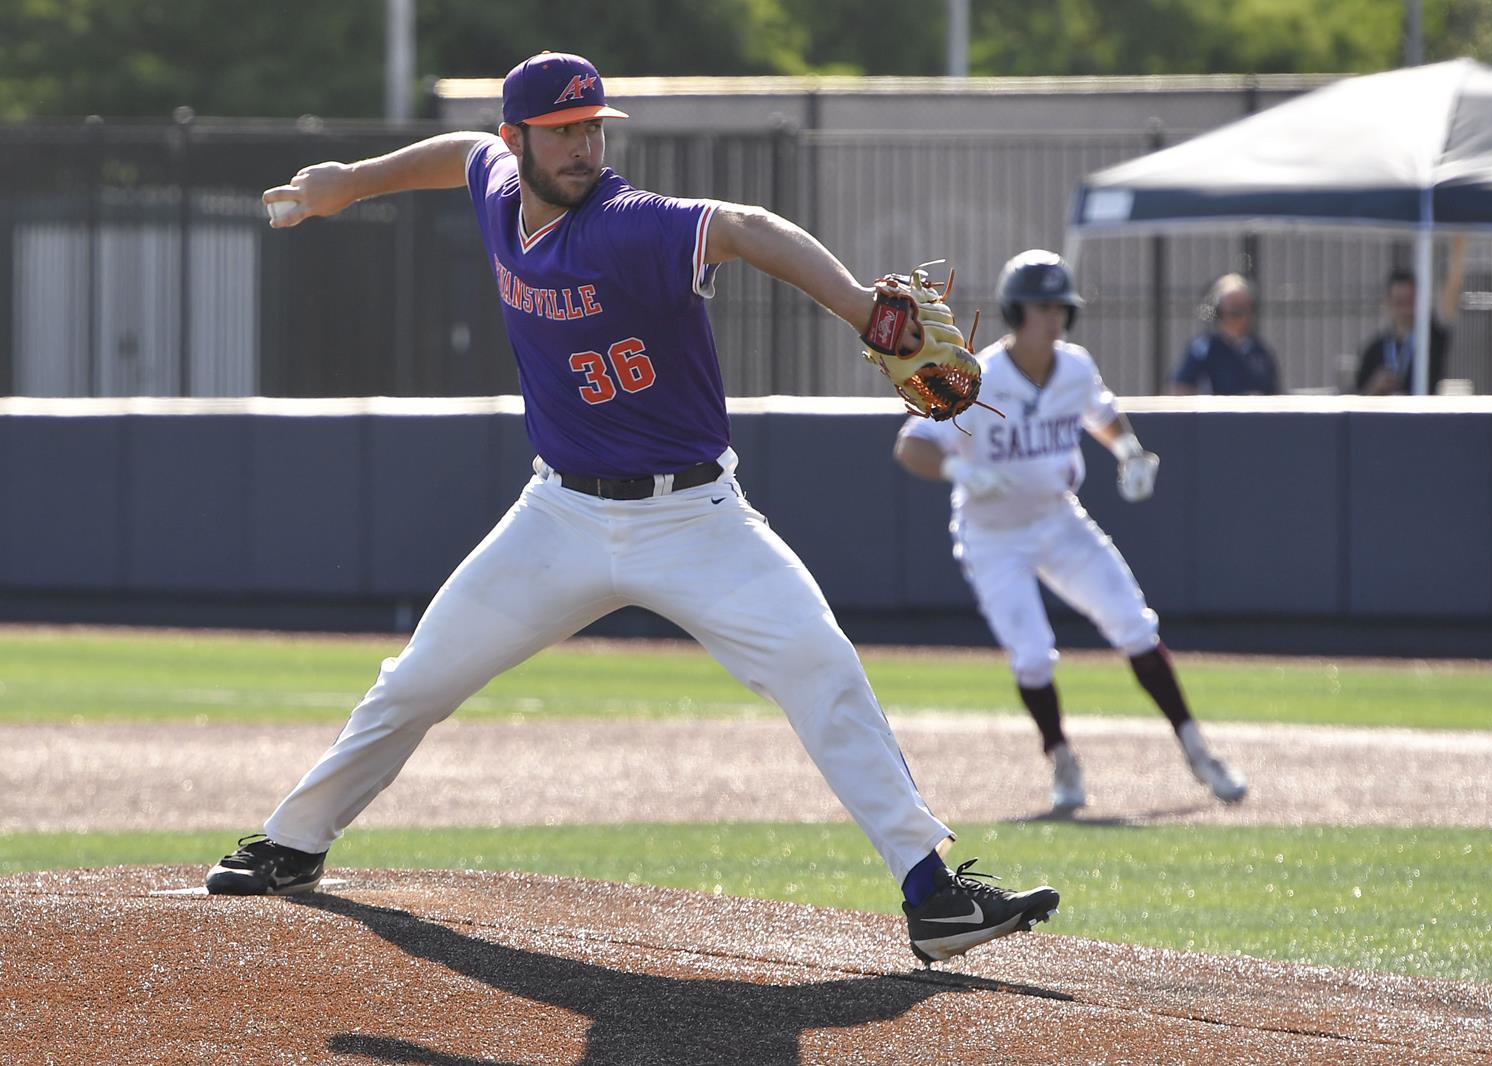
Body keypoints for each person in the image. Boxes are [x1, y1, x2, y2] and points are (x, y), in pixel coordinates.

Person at [203, 51, 1058, 966]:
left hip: (694, 519)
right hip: (559, 516)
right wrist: (349, 183)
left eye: (593, 128)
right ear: (517, 139)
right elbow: (455, 149)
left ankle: (932, 894)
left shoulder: (627, 224)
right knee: (416, 681)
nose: (583, 146)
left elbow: (744, 226)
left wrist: (856, 306)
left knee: (822, 667)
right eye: (564, 131)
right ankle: (295, 845)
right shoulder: (496, 186)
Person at [894, 249, 1248, 814]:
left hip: (1059, 519)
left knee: (1134, 625)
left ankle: (1197, 749)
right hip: (993, 535)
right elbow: (910, 445)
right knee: (1032, 656)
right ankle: (1063, 762)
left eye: (1061, 306)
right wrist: (959, 469)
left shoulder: (1076, 366)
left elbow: (1101, 414)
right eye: (1043, 306)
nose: (1055, 317)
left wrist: (1129, 450)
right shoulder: (975, 374)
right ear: (1017, 310)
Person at [1354, 235, 1469, 395]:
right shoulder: (1375, 349)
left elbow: (1452, 289)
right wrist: (1375, 386)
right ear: (1387, 302)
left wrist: (1459, 242)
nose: (1404, 307)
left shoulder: (1432, 336)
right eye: (1399, 301)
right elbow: (1357, 399)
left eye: (1409, 300)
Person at [1171, 273, 1281, 395]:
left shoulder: (1260, 352)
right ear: (1218, 312)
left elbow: (1273, 393)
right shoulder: (1202, 350)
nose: (1239, 318)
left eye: (1243, 310)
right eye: (1233, 311)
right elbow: (1181, 388)